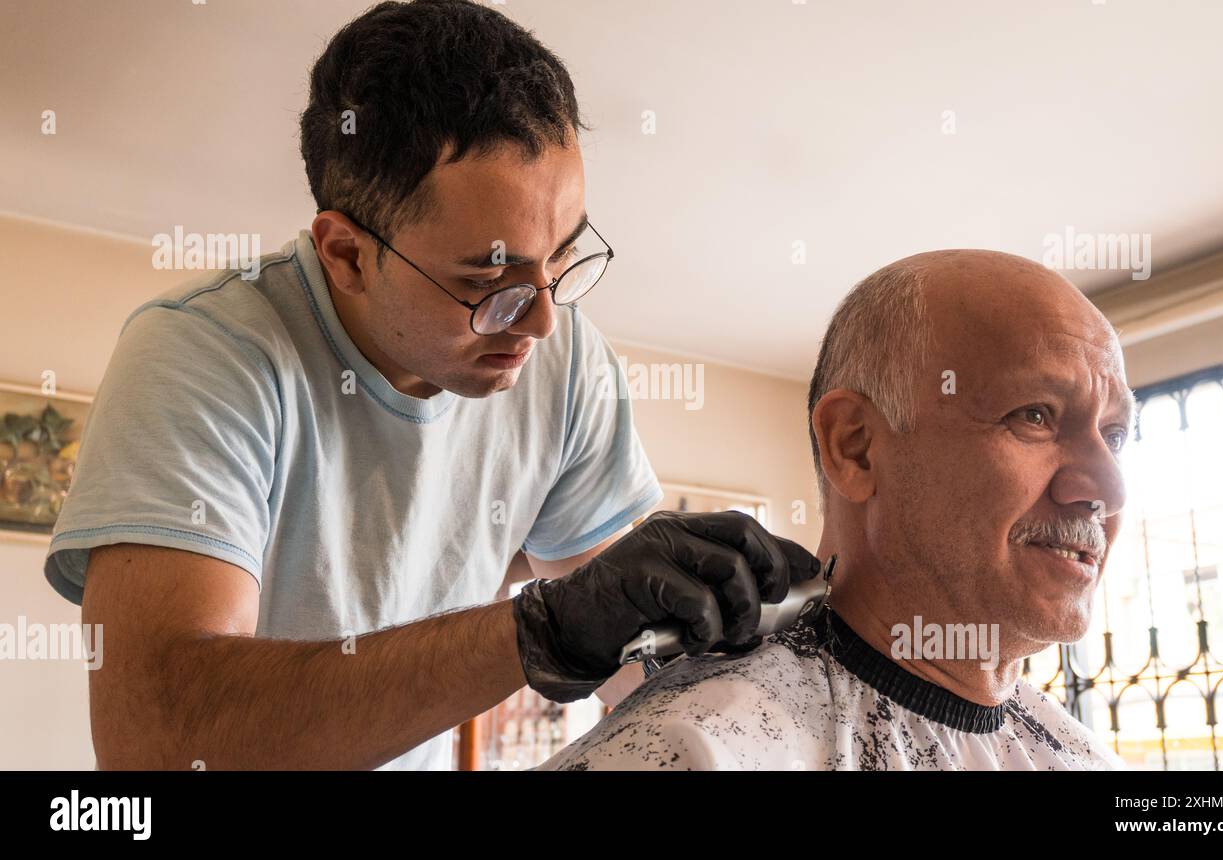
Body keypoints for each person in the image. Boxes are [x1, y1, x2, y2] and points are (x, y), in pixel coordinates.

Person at [43, 0, 818, 770]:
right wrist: (536, 632)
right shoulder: (203, 354)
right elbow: (158, 742)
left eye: (562, 260)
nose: (542, 321)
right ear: (346, 254)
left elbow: (641, 654)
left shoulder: (567, 361)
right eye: (490, 277)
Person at [539, 250, 1131, 770]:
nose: (1108, 487)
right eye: (1035, 415)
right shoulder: (693, 748)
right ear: (856, 446)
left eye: (1115, 434)